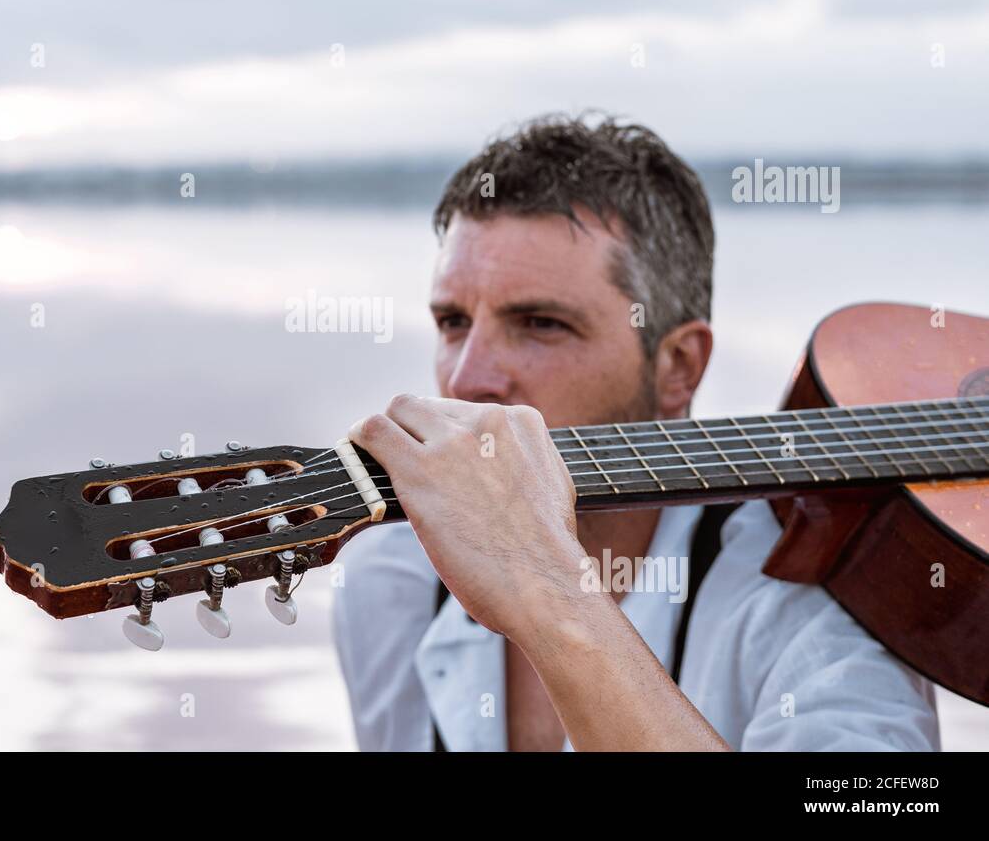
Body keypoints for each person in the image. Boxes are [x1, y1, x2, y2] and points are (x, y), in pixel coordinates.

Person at [332, 114, 939, 751]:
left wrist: (550, 596)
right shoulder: (389, 578)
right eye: (454, 321)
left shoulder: (817, 600)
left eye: (539, 323)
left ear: (678, 365)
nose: (466, 378)